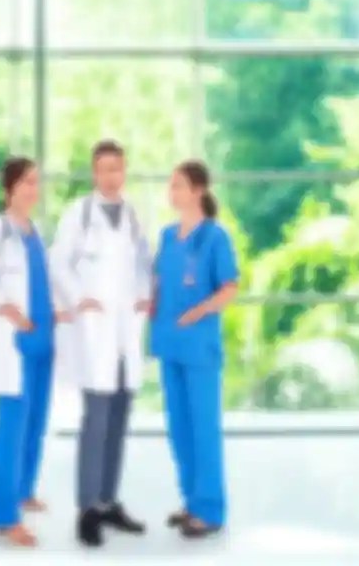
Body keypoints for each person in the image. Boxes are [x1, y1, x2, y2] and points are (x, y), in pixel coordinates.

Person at [51, 140, 151, 547]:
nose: (112, 176)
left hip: (127, 331)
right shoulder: (79, 213)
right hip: (96, 333)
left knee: (120, 419)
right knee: (96, 422)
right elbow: (57, 260)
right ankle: (87, 509)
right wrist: (79, 298)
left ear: (124, 171)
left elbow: (144, 263)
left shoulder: (132, 215)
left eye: (118, 168)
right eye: (105, 169)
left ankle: (109, 502)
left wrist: (146, 293)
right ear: (94, 173)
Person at [150, 160, 239, 539]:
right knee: (179, 427)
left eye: (179, 186)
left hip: (199, 346)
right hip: (169, 344)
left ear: (199, 190)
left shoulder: (215, 238)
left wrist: (199, 310)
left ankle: (210, 510)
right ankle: (190, 501)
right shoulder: (168, 236)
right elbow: (157, 279)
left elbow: (230, 287)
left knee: (204, 428)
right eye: (170, 186)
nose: (173, 193)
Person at [0, 156, 56, 548]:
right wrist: (7, 308)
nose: (33, 190)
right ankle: (5, 519)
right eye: (26, 182)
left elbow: (44, 280)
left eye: (36, 182)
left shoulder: (34, 231)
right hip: (15, 342)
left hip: (42, 340)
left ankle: (24, 491)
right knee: (12, 430)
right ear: (9, 188)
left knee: (35, 423)